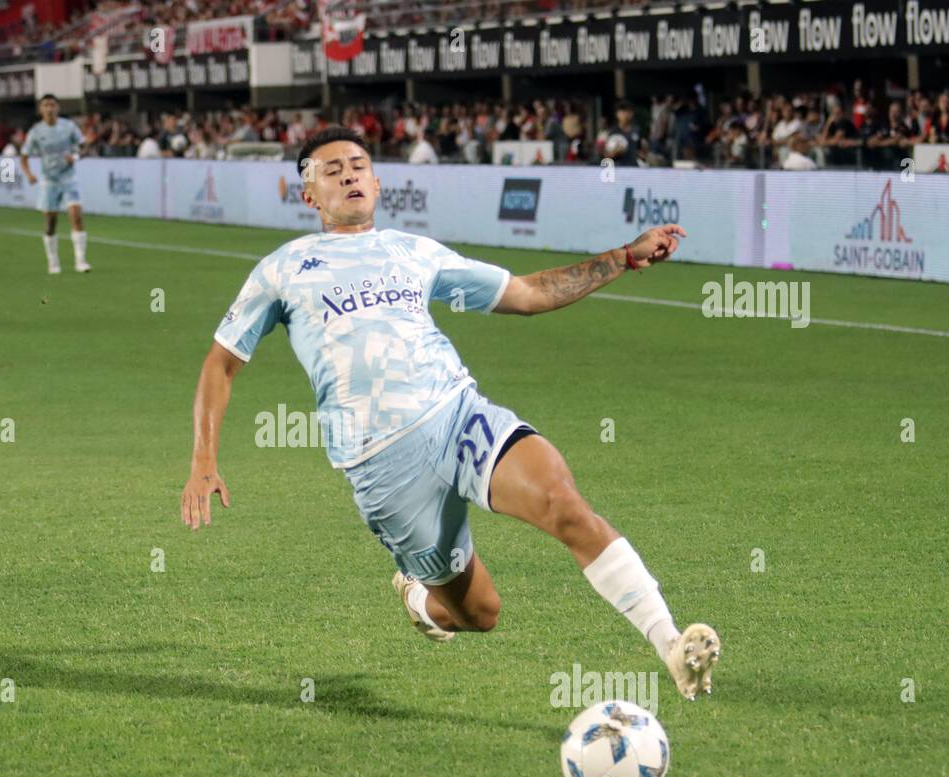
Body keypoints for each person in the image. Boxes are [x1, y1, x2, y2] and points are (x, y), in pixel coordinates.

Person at [180, 128, 721, 701]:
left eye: (359, 165)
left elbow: (527, 294)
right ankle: (418, 598)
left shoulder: (415, 252)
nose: (348, 174)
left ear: (378, 181)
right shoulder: (282, 269)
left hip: (456, 415)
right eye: (331, 168)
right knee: (480, 612)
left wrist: (624, 257)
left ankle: (670, 646)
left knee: (564, 503)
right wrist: (203, 459)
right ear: (308, 194)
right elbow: (221, 363)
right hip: (381, 467)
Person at [20, 94, 90, 274]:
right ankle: (53, 261)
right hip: (49, 181)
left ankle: (81, 261)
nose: (49, 108)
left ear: (58, 108)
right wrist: (29, 174)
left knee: (76, 215)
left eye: (52, 105)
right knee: (51, 222)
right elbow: (24, 156)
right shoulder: (36, 131)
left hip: (69, 178)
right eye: (46, 105)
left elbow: (84, 147)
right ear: (41, 109)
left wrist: (74, 157)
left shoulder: (68, 127)